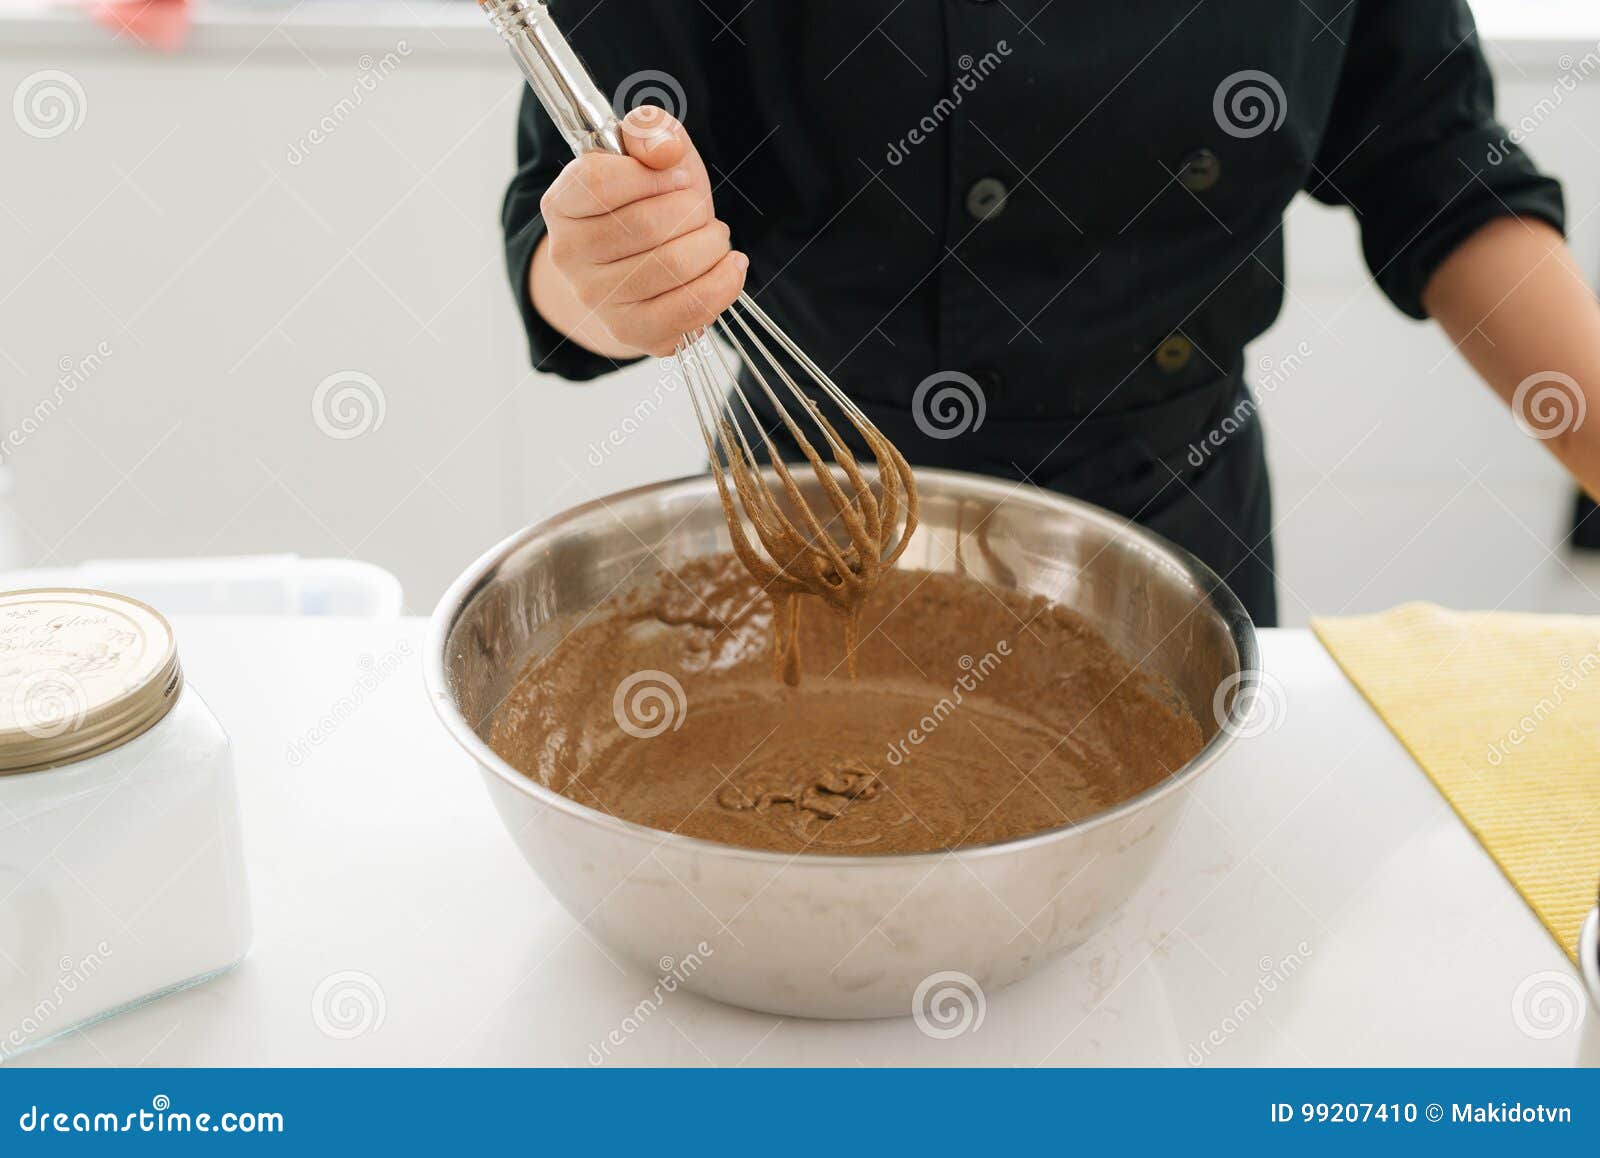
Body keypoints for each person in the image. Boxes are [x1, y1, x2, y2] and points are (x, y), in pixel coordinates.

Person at [501, 1, 1600, 626]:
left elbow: (1440, 173)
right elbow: (572, 234)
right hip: (815, 518)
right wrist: (617, 267)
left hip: (1175, 529)